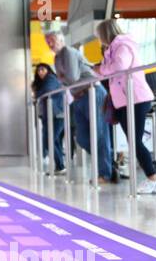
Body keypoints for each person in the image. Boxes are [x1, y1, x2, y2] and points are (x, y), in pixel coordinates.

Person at [94, 19, 156, 193]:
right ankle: (152, 178)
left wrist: (101, 70)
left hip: (136, 98)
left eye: (99, 35)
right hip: (126, 100)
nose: (98, 39)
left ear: (105, 33)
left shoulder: (122, 46)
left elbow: (120, 66)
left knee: (134, 141)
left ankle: (153, 178)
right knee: (134, 141)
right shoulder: (112, 49)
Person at [44, 30, 114, 184]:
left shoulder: (68, 51)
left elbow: (72, 77)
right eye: (47, 41)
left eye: (52, 40)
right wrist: (65, 78)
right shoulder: (57, 58)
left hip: (92, 92)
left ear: (61, 40)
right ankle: (109, 162)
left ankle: (106, 172)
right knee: (82, 138)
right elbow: (64, 80)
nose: (49, 44)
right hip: (78, 96)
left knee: (99, 134)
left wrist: (64, 77)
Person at [32, 63, 65, 173]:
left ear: (48, 70)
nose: (40, 72)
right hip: (49, 115)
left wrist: (37, 94)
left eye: (42, 69)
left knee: (49, 140)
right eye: (38, 70)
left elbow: (46, 91)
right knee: (53, 141)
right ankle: (60, 166)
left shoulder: (51, 78)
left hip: (56, 114)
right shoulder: (43, 82)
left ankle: (60, 166)